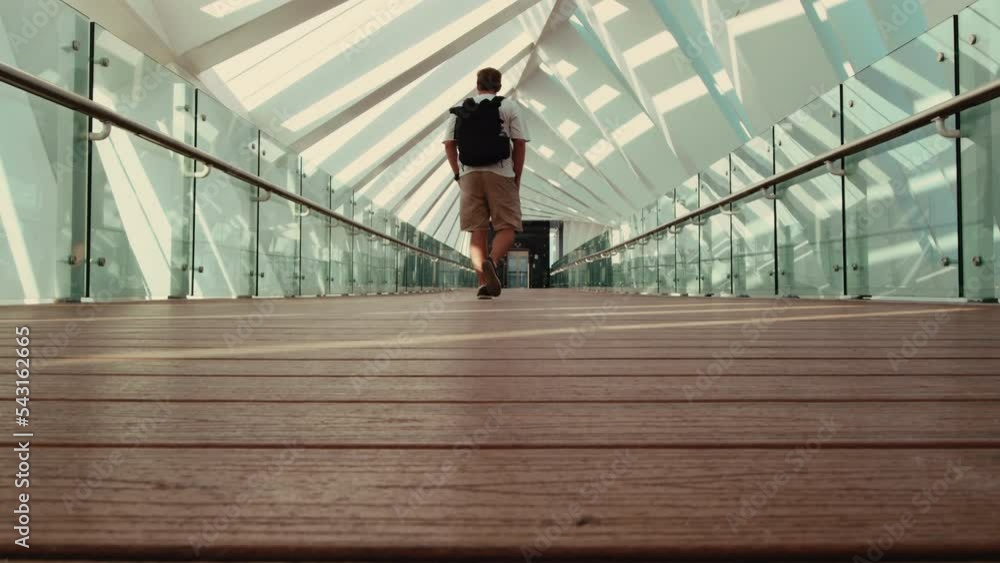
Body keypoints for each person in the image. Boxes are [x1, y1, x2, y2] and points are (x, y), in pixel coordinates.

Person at [443, 67, 529, 299]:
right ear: (499, 86)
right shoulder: (509, 106)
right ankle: (491, 261)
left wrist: (458, 173)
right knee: (508, 227)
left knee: (477, 230)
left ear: (477, 84)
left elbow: (449, 144)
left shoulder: (461, 109)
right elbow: (519, 144)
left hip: (469, 175)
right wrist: (516, 176)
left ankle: (484, 285)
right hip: (501, 173)